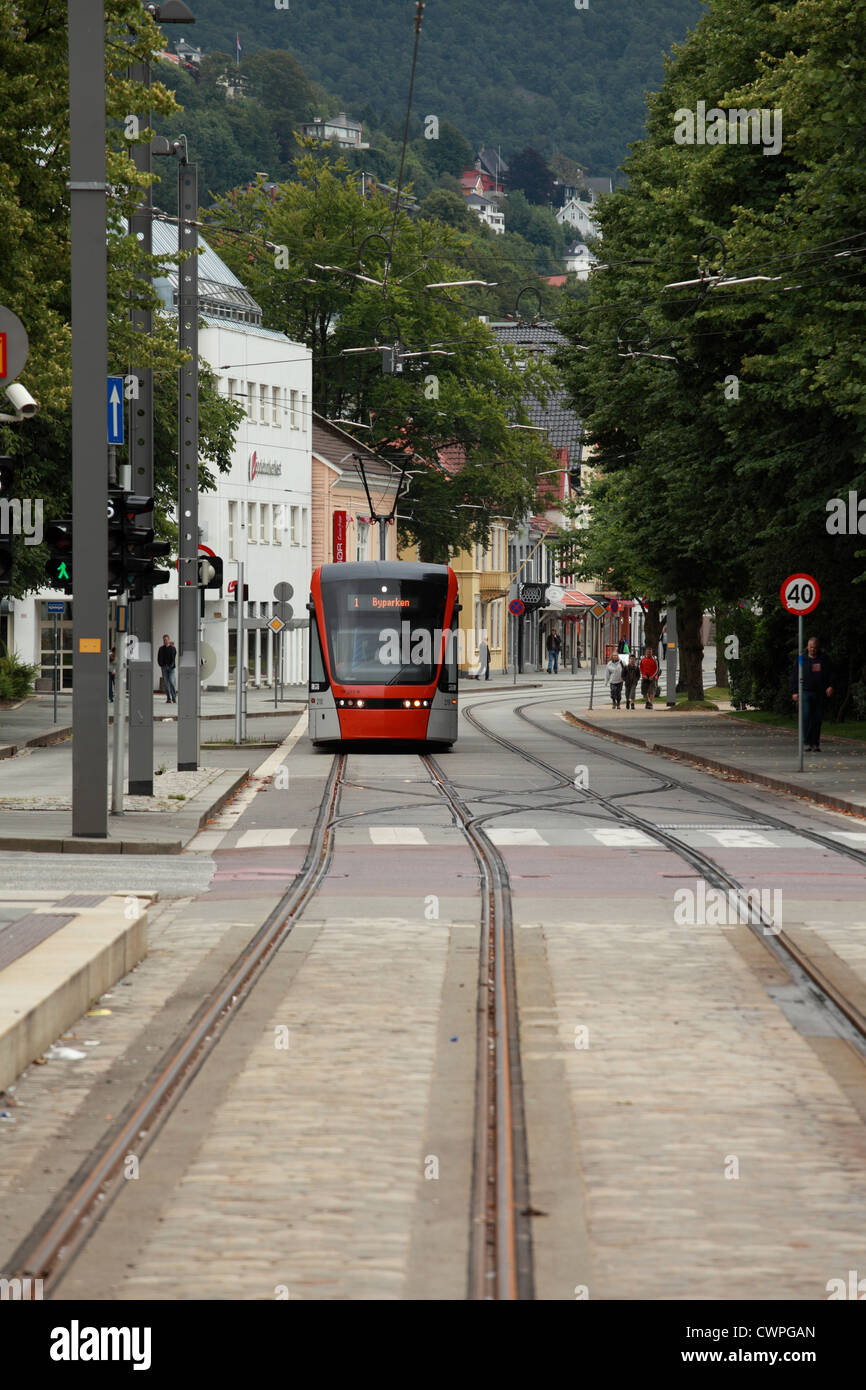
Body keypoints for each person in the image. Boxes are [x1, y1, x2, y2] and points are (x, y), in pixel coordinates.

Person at [791, 635, 833, 751]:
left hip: (819, 692)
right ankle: (807, 741)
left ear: (818, 648)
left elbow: (830, 673)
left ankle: (815, 742)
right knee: (806, 715)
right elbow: (795, 675)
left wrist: (830, 685)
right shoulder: (801, 659)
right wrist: (794, 691)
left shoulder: (823, 659)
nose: (812, 649)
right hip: (805, 691)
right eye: (811, 647)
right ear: (807, 647)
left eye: (815, 647)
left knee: (817, 718)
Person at [158, 633, 177, 703]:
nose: (165, 641)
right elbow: (159, 657)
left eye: (166, 640)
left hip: (171, 668)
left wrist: (171, 665)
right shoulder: (161, 649)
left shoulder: (173, 648)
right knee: (166, 684)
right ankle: (168, 698)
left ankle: (174, 697)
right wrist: (160, 664)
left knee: (172, 682)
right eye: (164, 640)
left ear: (169, 640)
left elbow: (174, 658)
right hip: (164, 668)